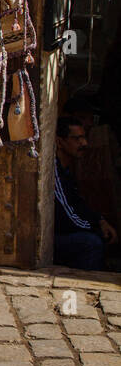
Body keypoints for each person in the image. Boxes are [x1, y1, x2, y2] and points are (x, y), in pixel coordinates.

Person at [54, 116, 120, 271]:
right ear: (59, 142)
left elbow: (78, 205)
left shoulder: (67, 170)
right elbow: (68, 215)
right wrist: (96, 227)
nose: (84, 143)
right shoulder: (54, 171)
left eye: (83, 138)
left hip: (66, 234)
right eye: (76, 139)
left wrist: (100, 220)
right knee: (91, 242)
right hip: (52, 239)